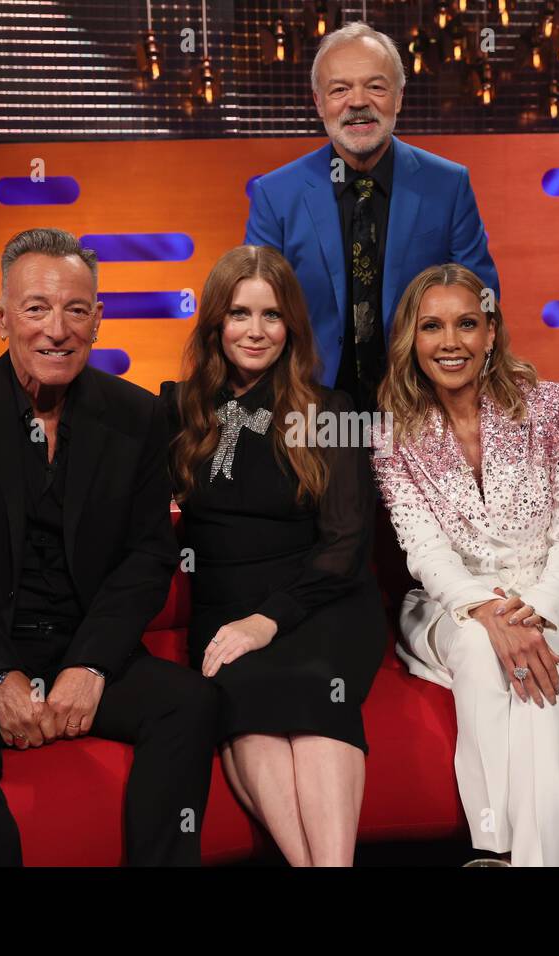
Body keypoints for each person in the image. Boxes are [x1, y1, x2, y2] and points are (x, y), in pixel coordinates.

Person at [0, 227, 219, 866]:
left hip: (74, 642)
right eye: (36, 309)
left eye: (76, 310)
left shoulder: (138, 417)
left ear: (98, 320)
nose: (55, 330)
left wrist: (90, 666)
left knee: (188, 704)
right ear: (1, 318)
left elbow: (148, 558)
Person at [158, 244, 386, 866]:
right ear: (215, 324)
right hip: (226, 605)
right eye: (239, 314)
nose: (255, 332)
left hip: (320, 602)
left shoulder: (330, 411)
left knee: (316, 692)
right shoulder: (179, 409)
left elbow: (345, 546)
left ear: (292, 327)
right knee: (246, 697)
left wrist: (268, 622)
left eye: (271, 315)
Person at [371, 263, 559, 866]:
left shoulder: (551, 408)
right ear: (411, 341)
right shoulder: (394, 431)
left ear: (491, 332)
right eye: (432, 327)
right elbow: (424, 549)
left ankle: (495, 856)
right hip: (453, 609)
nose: (451, 342)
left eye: (467, 324)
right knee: (478, 648)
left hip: (550, 604)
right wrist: (486, 608)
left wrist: (539, 612)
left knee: (536, 673)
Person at [245, 21, 498, 413]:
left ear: (398, 98)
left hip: (424, 404)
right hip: (309, 407)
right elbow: (255, 310)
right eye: (340, 89)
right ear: (319, 102)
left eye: (375, 87)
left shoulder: (448, 184)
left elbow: (483, 297)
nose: (357, 101)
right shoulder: (276, 194)